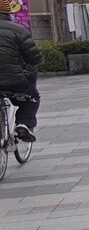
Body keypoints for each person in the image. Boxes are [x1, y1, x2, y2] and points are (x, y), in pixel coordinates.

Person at [0, 16, 42, 144]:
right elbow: (34, 58)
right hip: (14, 81)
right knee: (31, 98)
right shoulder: (18, 30)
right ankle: (24, 124)